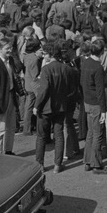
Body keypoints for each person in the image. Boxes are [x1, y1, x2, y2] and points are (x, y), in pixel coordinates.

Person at [33, 40, 75, 172]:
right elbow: (71, 88)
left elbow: (43, 89)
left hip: (45, 107)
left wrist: (36, 105)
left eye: (45, 53)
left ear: (50, 54)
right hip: (61, 106)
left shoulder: (46, 69)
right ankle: (58, 164)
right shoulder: (67, 69)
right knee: (59, 135)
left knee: (41, 137)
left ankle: (40, 164)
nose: (44, 56)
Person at [81, 38, 107, 173]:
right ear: (102, 52)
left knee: (91, 133)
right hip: (96, 103)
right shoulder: (98, 67)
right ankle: (96, 164)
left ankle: (87, 160)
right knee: (98, 133)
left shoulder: (86, 62)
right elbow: (100, 90)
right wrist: (104, 110)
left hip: (87, 101)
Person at [20, 35, 42, 136]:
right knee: (31, 107)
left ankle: (28, 127)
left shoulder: (25, 56)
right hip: (33, 85)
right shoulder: (35, 59)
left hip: (27, 83)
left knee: (28, 106)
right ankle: (27, 128)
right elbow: (35, 75)